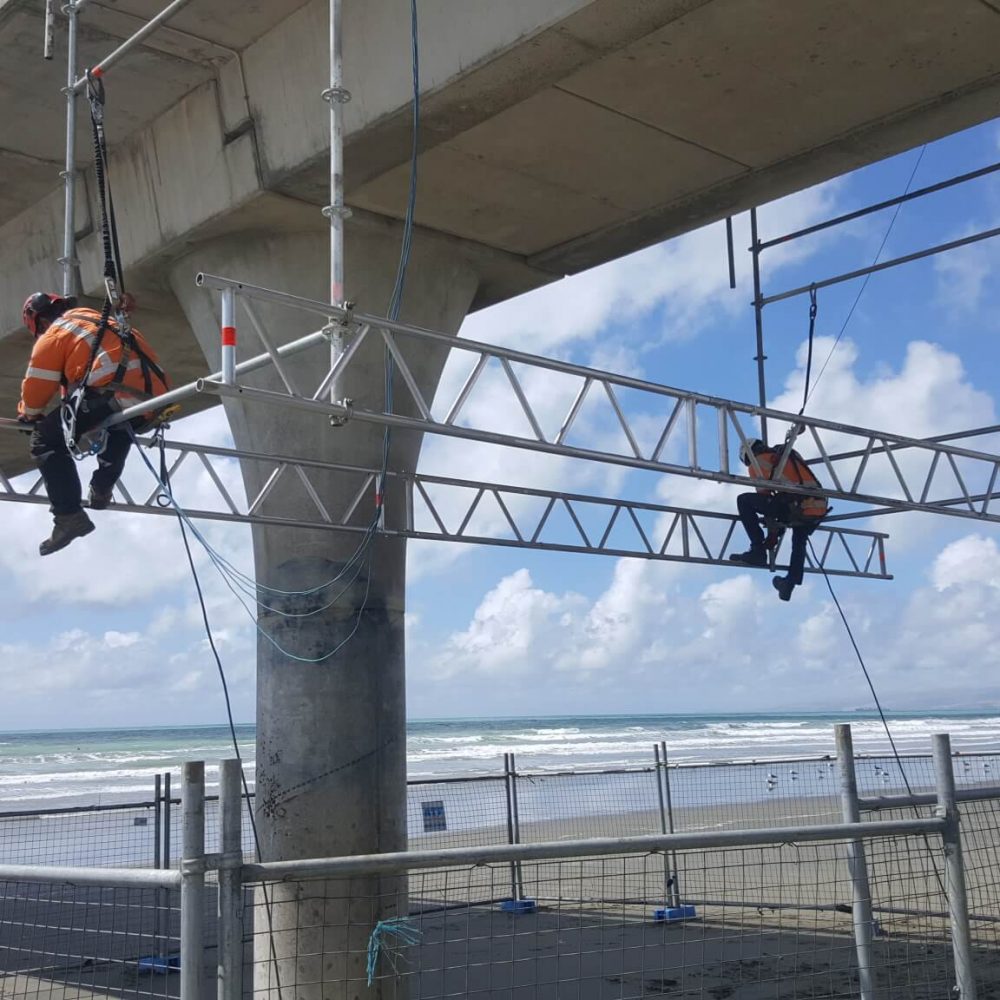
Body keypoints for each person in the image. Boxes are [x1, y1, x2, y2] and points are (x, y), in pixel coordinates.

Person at [18, 292, 170, 556]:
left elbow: (35, 392)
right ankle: (101, 487)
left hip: (113, 392)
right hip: (152, 398)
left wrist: (28, 414)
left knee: (45, 439)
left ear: (39, 323)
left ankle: (68, 517)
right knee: (117, 426)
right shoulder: (100, 320)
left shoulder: (55, 333)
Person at [728, 437, 829, 601]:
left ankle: (757, 551)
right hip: (817, 506)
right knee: (799, 539)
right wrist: (776, 530)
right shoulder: (788, 455)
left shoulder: (757, 463)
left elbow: (766, 501)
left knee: (744, 501)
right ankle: (790, 582)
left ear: (748, 455)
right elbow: (781, 499)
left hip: (798, 505)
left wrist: (773, 532)